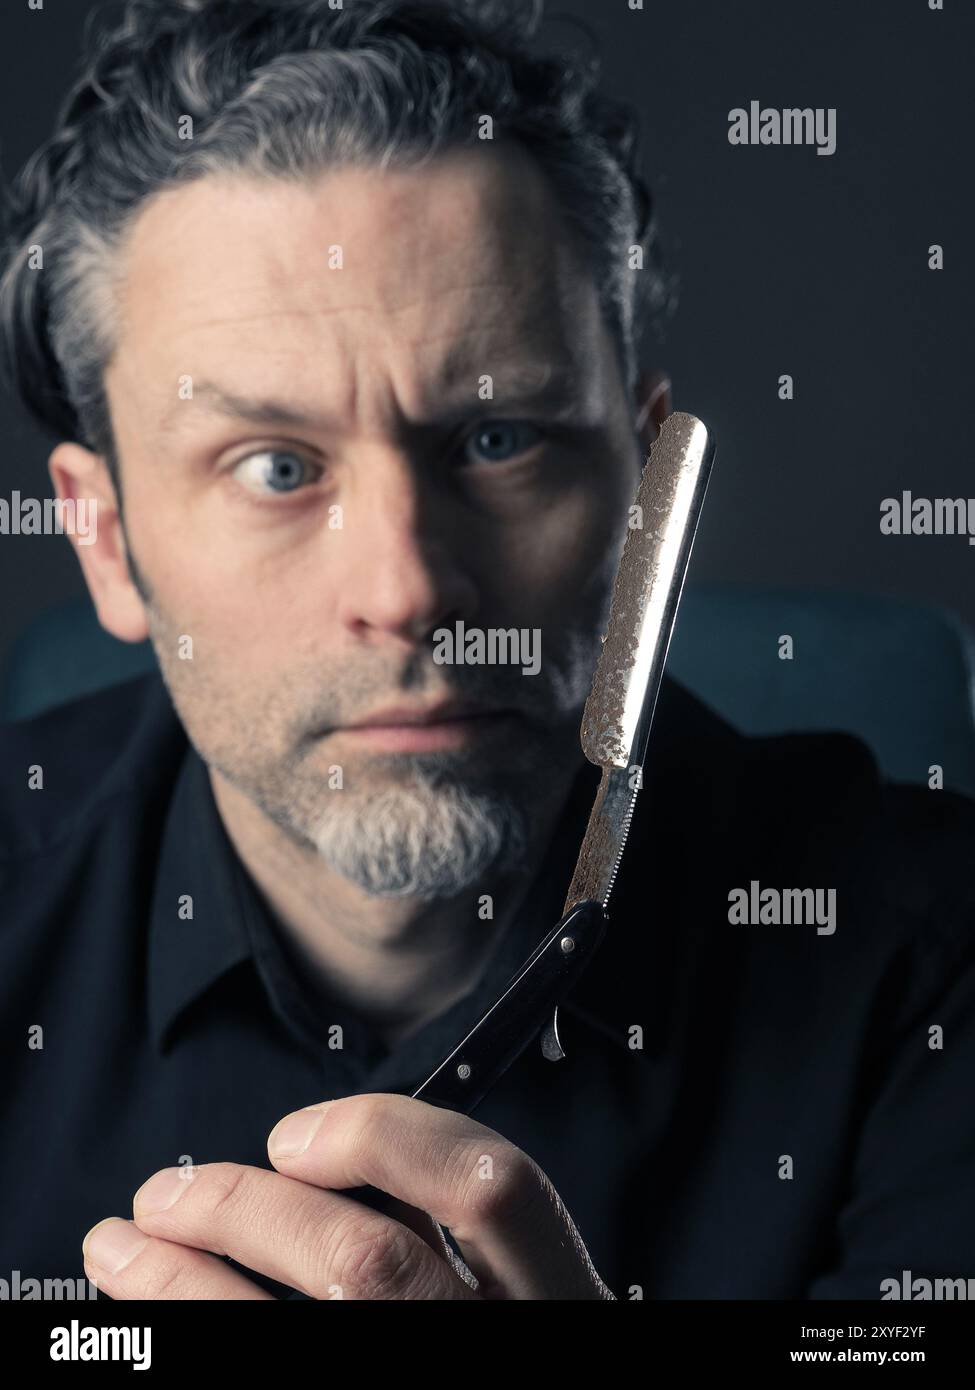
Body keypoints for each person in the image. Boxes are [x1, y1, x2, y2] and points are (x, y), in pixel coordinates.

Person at [1, 0, 973, 1303]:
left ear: (645, 492)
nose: (408, 589)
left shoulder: (936, 966)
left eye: (500, 439)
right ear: (110, 541)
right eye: (276, 466)